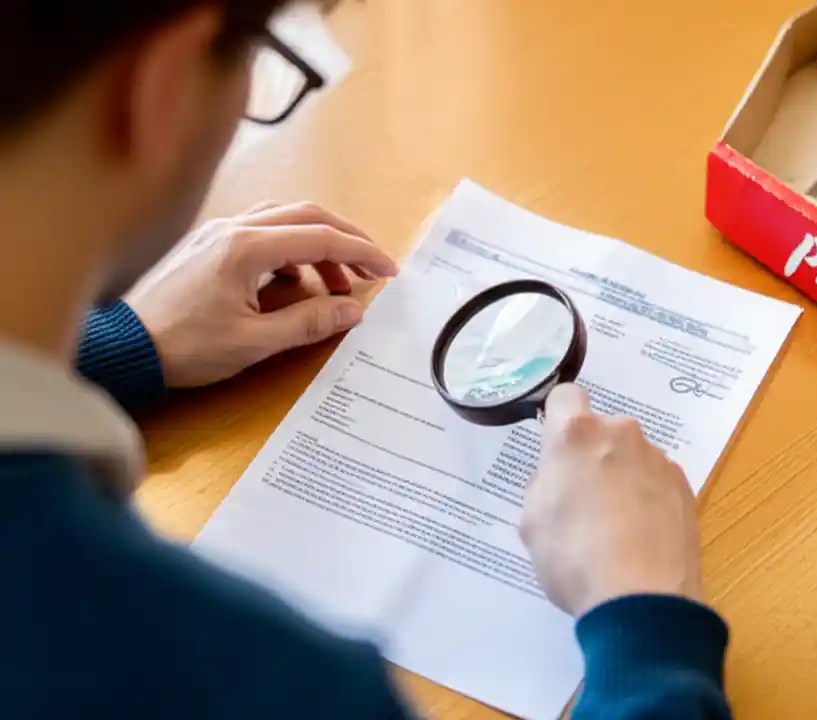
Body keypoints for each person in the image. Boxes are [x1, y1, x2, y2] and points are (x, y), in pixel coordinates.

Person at [0, 2, 732, 718]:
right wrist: (645, 627)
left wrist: (114, 345)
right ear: (162, 87)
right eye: (261, 56)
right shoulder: (274, 686)